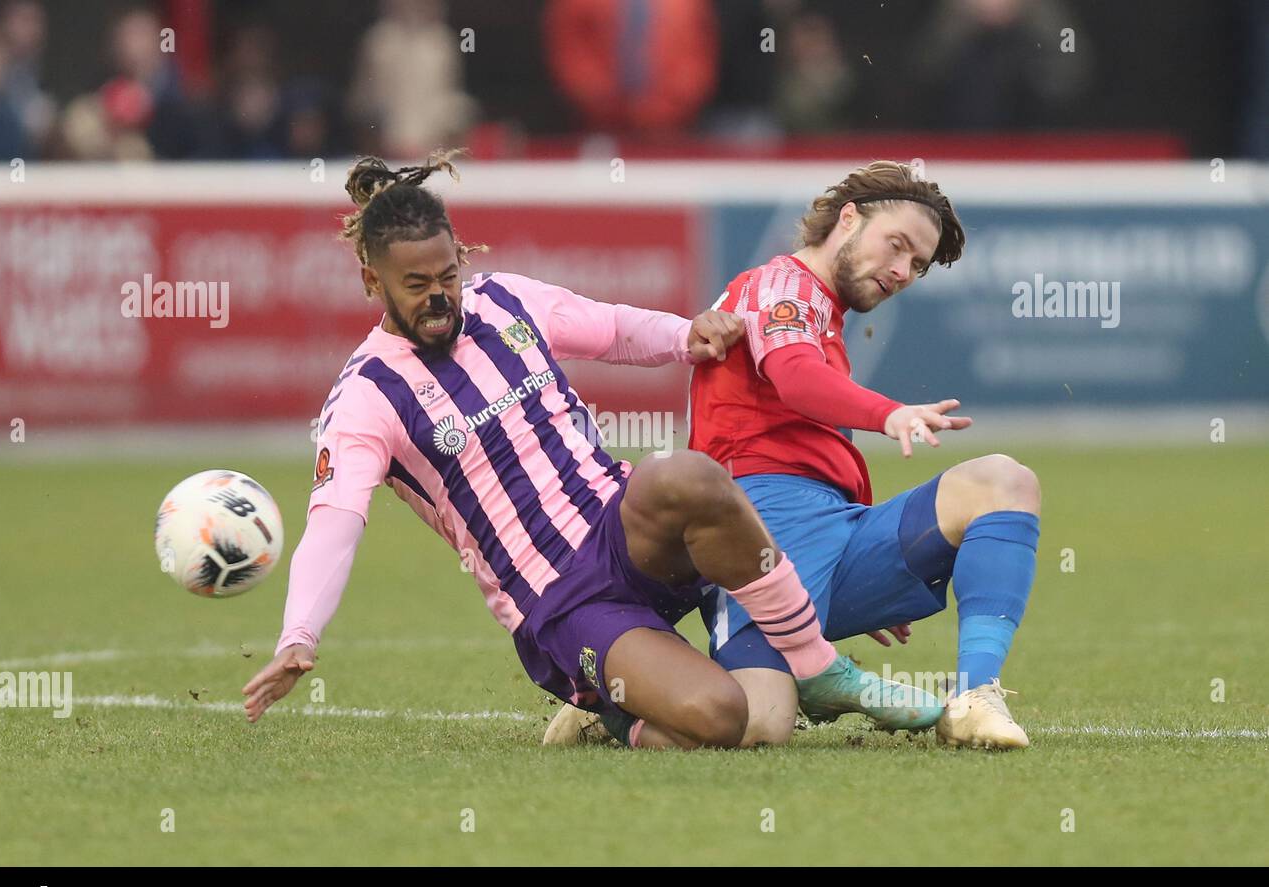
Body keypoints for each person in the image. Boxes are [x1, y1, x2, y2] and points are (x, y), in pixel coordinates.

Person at [241, 152, 914, 750]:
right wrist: (299, 636)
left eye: (446, 275)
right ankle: (610, 712)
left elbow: (614, 330)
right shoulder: (366, 396)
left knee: (688, 475)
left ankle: (815, 660)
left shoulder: (504, 302)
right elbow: (335, 523)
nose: (439, 296)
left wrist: (690, 335)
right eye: (416, 286)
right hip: (561, 601)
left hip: (625, 530)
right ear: (372, 282)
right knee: (719, 719)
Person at [688, 160, 1040, 749]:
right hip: (758, 541)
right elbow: (797, 380)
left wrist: (867, 573)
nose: (902, 272)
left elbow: (812, 444)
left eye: (917, 265)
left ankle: (976, 699)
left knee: (1003, 481)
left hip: (834, 531)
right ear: (848, 219)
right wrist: (890, 413)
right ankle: (616, 699)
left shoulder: (824, 310)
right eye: (895, 246)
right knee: (757, 726)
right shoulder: (782, 284)